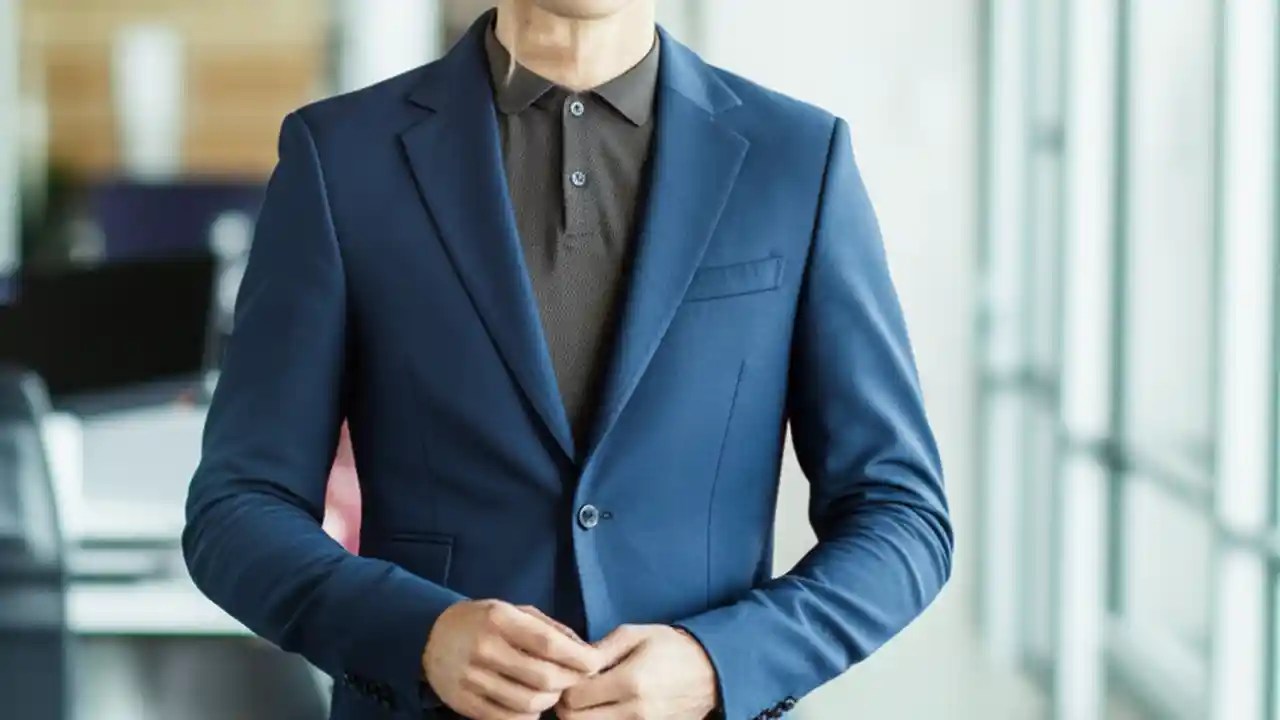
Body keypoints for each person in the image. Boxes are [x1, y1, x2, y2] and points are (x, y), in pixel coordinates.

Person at [182, 2, 953, 719]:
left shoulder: (797, 160)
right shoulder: (340, 157)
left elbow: (903, 517)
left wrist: (722, 661)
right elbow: (237, 509)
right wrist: (418, 635)